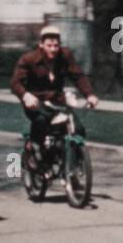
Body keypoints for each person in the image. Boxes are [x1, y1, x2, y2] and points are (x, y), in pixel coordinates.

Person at [10, 26, 99, 170]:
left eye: (56, 45)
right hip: (35, 102)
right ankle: (34, 150)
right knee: (42, 122)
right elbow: (15, 83)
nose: (53, 49)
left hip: (57, 101)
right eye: (49, 45)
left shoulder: (65, 56)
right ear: (41, 44)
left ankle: (74, 167)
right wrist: (25, 95)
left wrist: (90, 95)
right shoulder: (29, 59)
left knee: (78, 129)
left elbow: (78, 76)